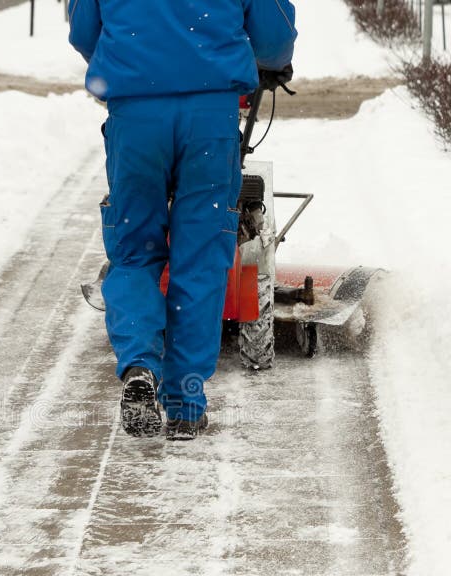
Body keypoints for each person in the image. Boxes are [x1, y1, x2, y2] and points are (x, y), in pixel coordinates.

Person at [68, 0, 297, 440]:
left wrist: (132, 58)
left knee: (134, 254)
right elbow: (274, 35)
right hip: (209, 118)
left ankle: (139, 366)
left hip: (135, 117)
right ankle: (186, 405)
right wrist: (270, 62)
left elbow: (83, 33)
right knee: (201, 258)